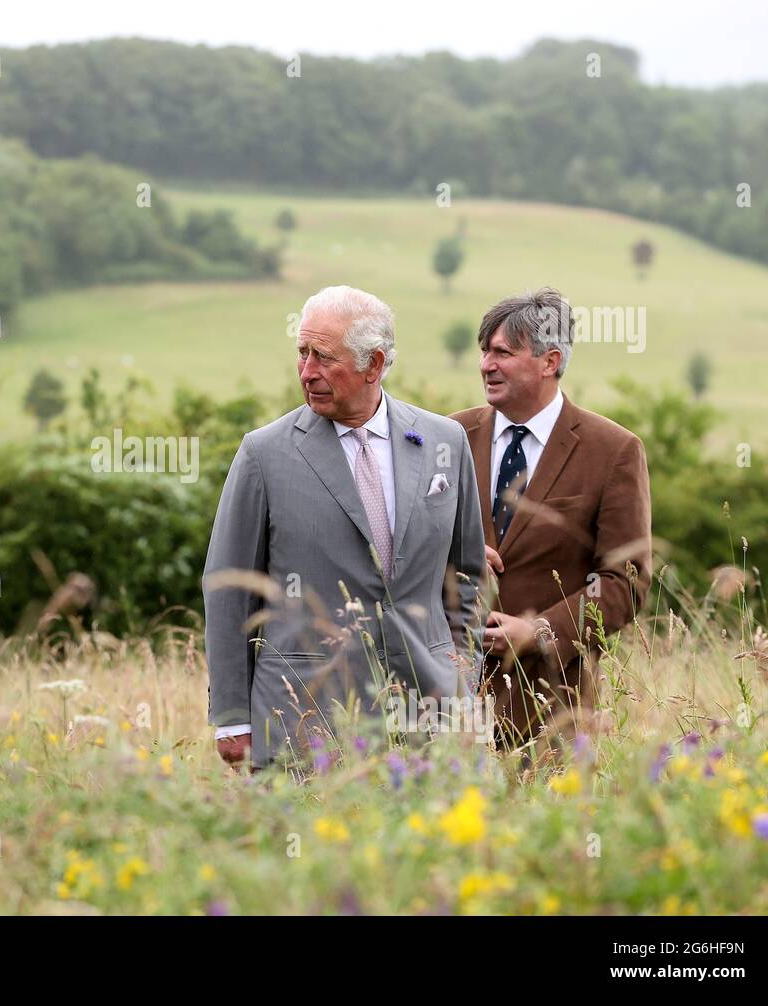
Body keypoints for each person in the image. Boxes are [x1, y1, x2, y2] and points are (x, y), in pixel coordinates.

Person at [204, 286, 486, 770]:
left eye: (323, 357)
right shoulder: (264, 454)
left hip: (430, 716)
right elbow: (228, 588)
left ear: (373, 365)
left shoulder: (446, 441)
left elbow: (467, 577)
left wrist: (462, 670)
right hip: (302, 719)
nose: (307, 371)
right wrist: (232, 717)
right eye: (302, 352)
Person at [450, 288, 652, 747]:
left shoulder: (614, 451)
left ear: (550, 361)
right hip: (442, 703)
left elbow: (626, 581)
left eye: (503, 352)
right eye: (484, 351)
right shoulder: (448, 434)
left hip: (549, 707)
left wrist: (539, 631)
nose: (486, 364)